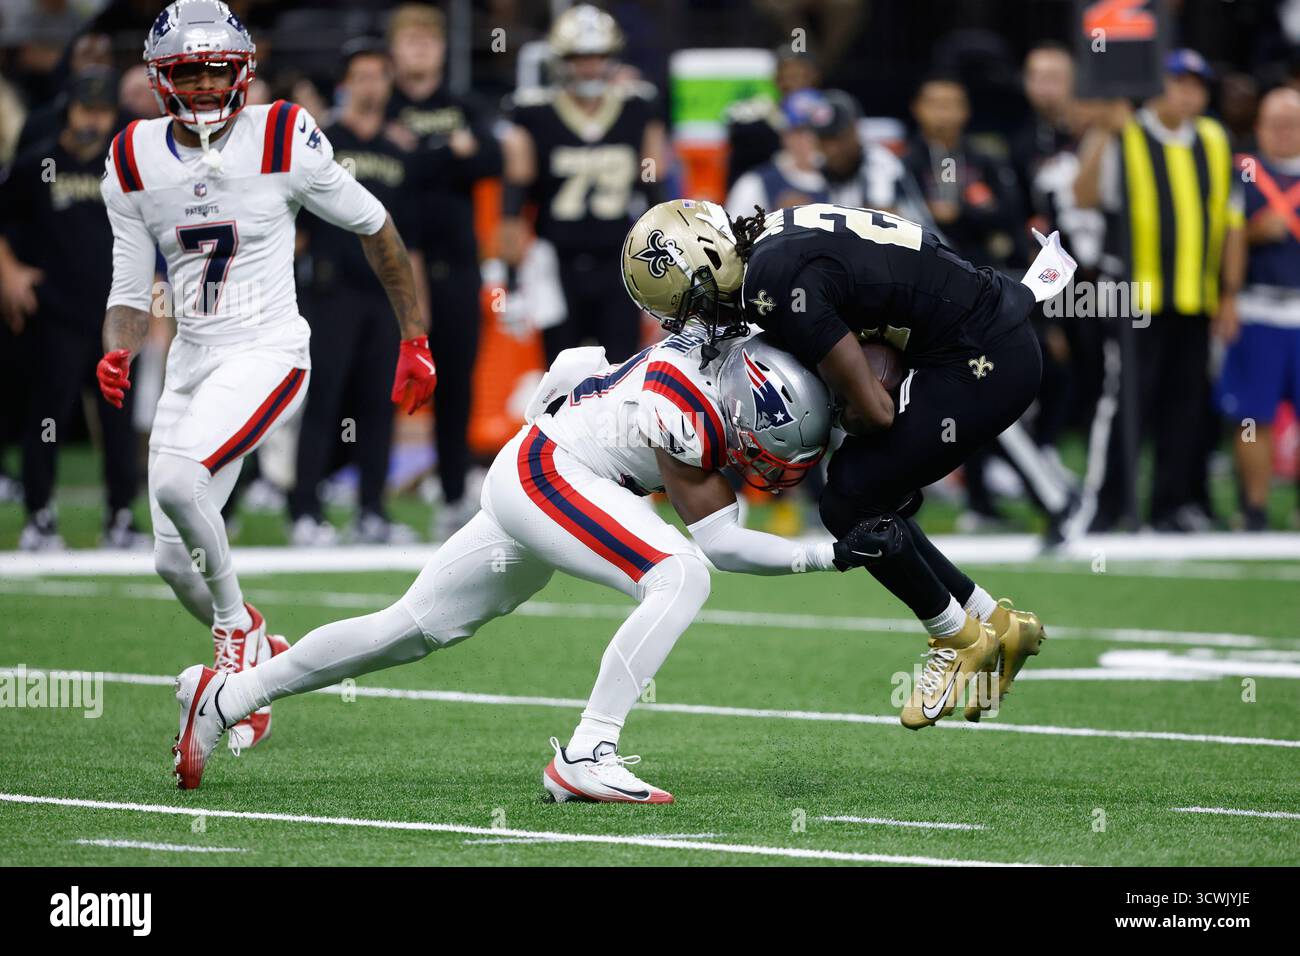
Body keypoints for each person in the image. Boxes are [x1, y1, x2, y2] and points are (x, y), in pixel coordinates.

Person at [173, 270, 881, 799]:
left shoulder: (720, 353)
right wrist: (830, 555)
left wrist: (555, 406)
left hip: (546, 464)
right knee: (682, 573)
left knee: (411, 628)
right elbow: (722, 545)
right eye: (771, 446)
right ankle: (586, 754)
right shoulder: (690, 409)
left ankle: (227, 697)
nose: (767, 463)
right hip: (550, 472)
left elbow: (578, 361)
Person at [98, 1, 436, 752]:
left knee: (178, 482)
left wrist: (414, 336)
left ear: (244, 69)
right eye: (191, 72)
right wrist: (117, 349)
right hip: (190, 363)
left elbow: (374, 223)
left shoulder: (282, 132)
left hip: (269, 350)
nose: (209, 86)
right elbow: (128, 291)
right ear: (161, 78)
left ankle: (231, 637)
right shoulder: (131, 158)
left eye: (220, 70)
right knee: (166, 558)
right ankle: (253, 634)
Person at [620, 199, 1076, 728]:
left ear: (712, 261)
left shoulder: (775, 284)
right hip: (974, 326)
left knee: (850, 500)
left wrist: (834, 409)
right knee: (869, 492)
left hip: (984, 359)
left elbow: (877, 413)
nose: (699, 320)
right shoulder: (768, 239)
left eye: (693, 302)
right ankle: (996, 622)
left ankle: (958, 638)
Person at [1072, 49, 1246, 533]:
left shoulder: (1214, 138)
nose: (1188, 93)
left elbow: (1232, 222)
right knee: (1126, 398)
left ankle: (1173, 506)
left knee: (1186, 404)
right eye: (1177, 82)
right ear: (1156, 86)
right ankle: (1107, 507)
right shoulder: (1124, 132)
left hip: (1195, 297)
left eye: (1197, 84)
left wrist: (1229, 293)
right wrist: (1104, 133)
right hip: (1133, 298)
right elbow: (1082, 195)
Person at [0, 68, 142, 551]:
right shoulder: (38, 164)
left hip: (117, 317)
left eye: (103, 112)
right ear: (68, 110)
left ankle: (120, 517)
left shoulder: (123, 168)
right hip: (58, 313)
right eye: (87, 110)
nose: (94, 121)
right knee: (49, 417)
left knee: (119, 424)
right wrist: (9, 272)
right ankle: (39, 517)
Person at [289, 40, 418, 547]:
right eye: (360, 75)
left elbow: (413, 238)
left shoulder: (399, 149)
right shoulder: (323, 141)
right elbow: (294, 222)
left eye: (378, 75)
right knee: (321, 402)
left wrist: (415, 304)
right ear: (346, 84)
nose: (370, 84)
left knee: (377, 405)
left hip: (382, 296)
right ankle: (304, 509)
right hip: (330, 291)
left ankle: (371, 510)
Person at [385, 3, 502, 542]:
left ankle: (453, 495)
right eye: (410, 42)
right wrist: (447, 152)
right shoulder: (382, 104)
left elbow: (493, 159)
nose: (421, 51)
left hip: (455, 263)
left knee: (456, 380)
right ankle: (365, 498)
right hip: (389, 264)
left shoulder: (463, 102)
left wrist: (423, 154)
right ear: (394, 50)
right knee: (374, 381)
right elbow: (391, 168)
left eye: (429, 42)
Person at [499, 3, 665, 366]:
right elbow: (513, 201)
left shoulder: (639, 108)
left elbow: (656, 197)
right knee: (560, 378)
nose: (589, 66)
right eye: (579, 57)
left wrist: (663, 272)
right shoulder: (533, 114)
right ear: (561, 60)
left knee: (624, 374)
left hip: (621, 262)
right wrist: (511, 281)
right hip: (558, 262)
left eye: (598, 55)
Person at [1216, 87, 1300, 530]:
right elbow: (1224, 237)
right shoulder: (1242, 173)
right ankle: (1255, 510)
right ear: (1260, 127)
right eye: (1275, 124)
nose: (1284, 133)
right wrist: (1253, 235)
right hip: (1258, 307)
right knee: (1253, 417)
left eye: (1292, 124)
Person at [725, 90, 830, 219]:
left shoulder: (844, 178)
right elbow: (731, 234)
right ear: (784, 136)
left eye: (818, 132)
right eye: (800, 131)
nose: (810, 139)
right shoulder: (755, 183)